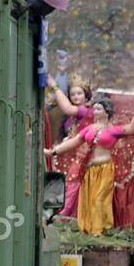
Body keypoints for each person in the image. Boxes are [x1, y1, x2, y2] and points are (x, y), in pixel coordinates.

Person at [46, 92, 134, 235]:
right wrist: (54, 152)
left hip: (105, 170)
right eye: (94, 108)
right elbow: (74, 141)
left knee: (99, 200)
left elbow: (133, 127)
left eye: (98, 109)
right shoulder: (89, 129)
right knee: (88, 200)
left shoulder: (113, 130)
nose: (95, 111)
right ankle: (88, 230)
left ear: (106, 111)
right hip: (89, 170)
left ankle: (100, 230)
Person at [46, 73, 95, 217]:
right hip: (69, 155)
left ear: (86, 95)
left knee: (72, 184)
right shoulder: (72, 117)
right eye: (73, 94)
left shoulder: (86, 111)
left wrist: (54, 86)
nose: (76, 97)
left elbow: (67, 108)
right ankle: (61, 214)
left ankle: (64, 215)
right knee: (66, 184)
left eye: (79, 93)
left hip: (80, 158)